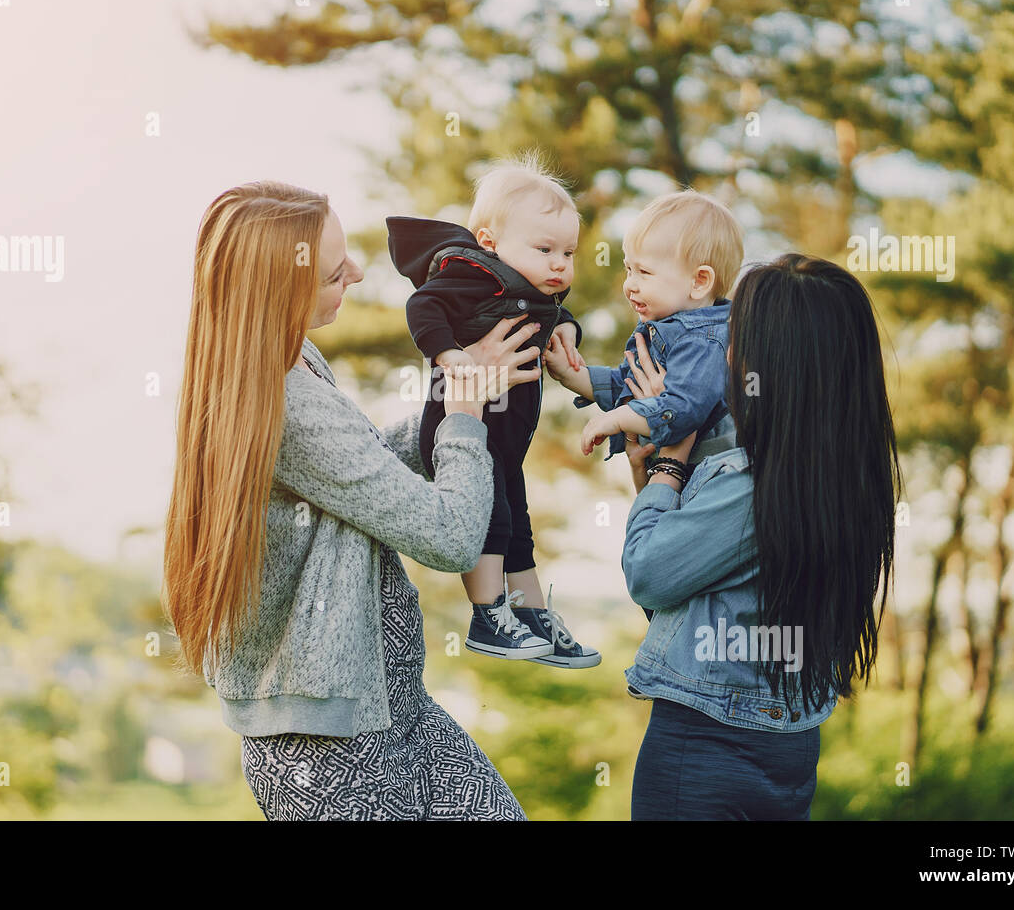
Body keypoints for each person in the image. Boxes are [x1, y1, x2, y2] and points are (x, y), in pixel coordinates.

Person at [162, 180, 544, 819]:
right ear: (282, 291)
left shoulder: (292, 361)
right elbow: (449, 537)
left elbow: (363, 475)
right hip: (333, 751)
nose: (360, 274)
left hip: (392, 711)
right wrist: (465, 417)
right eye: (337, 273)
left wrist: (451, 392)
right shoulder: (287, 401)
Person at [618, 253, 903, 820]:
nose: (724, 352)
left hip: (703, 748)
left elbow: (649, 576)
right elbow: (697, 596)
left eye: (737, 337)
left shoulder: (754, 481)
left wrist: (670, 463)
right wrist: (650, 471)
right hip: (790, 748)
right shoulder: (845, 480)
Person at [387, 155, 599, 668]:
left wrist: (567, 328)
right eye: (545, 249)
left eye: (568, 252)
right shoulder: (474, 276)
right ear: (490, 243)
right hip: (463, 427)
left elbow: (553, 311)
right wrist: (449, 354)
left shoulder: (529, 285)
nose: (558, 265)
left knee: (519, 526)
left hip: (505, 440)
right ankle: (487, 614)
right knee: (493, 517)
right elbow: (423, 307)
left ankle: (530, 613)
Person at [546, 189, 743, 469]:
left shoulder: (706, 341)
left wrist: (616, 418)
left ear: (699, 281)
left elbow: (681, 410)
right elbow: (627, 387)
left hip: (706, 482)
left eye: (645, 272)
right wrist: (569, 374)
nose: (630, 285)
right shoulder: (662, 329)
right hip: (671, 478)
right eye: (629, 270)